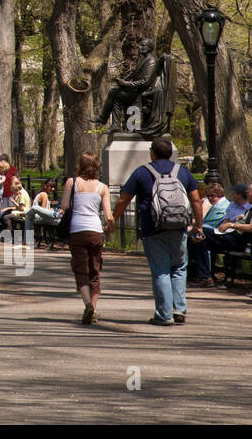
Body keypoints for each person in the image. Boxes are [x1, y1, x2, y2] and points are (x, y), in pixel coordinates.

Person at [110, 136, 203, 326]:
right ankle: (179, 309)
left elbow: (123, 199)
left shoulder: (143, 172)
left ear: (152, 152)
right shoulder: (182, 172)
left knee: (161, 271)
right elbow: (196, 200)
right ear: (170, 154)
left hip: (153, 229)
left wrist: (113, 219)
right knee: (179, 268)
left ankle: (164, 314)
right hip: (179, 228)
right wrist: (198, 225)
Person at [59, 152, 113, 325]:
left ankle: (87, 304)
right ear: (97, 166)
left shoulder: (72, 182)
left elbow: (65, 206)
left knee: (80, 269)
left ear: (80, 165)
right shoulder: (103, 187)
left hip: (77, 230)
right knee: (95, 269)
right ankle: (94, 310)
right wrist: (109, 228)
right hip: (96, 231)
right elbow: (108, 215)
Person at [187, 182, 225, 286]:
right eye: (208, 196)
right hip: (213, 233)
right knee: (194, 237)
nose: (210, 198)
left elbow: (213, 225)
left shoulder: (221, 206)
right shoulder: (215, 205)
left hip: (221, 235)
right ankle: (193, 273)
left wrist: (197, 229)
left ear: (220, 195)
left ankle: (203, 276)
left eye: (213, 196)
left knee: (198, 238)